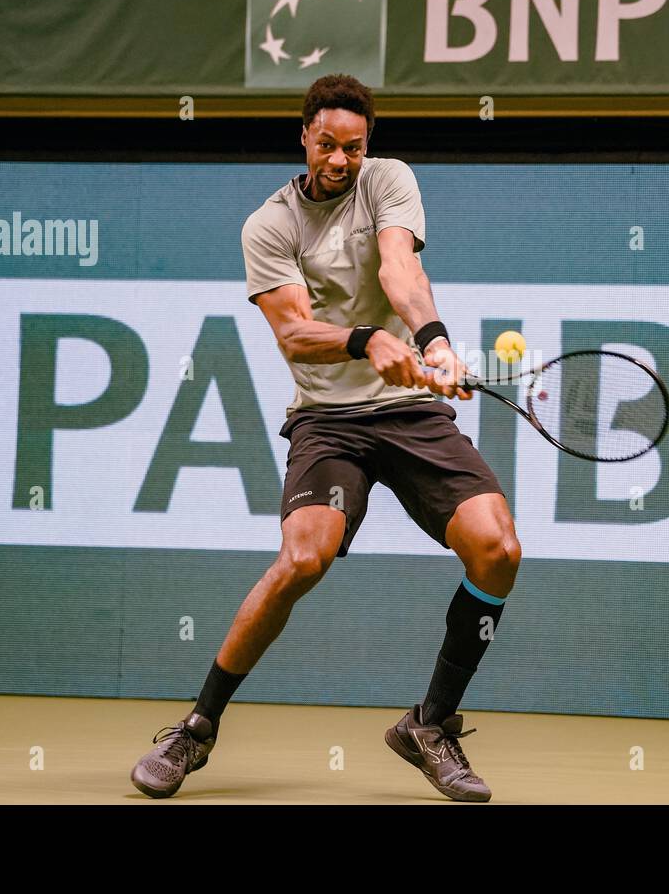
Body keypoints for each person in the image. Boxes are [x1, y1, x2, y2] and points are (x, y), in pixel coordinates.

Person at [130, 74, 521, 803]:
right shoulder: (269, 225)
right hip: (329, 419)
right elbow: (295, 334)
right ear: (304, 138)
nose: (341, 159)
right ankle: (197, 727)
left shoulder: (388, 182)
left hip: (410, 411)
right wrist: (368, 339)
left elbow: (400, 267)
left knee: (497, 548)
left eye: (355, 146)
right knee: (303, 557)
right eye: (328, 145)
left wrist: (430, 341)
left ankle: (429, 725)